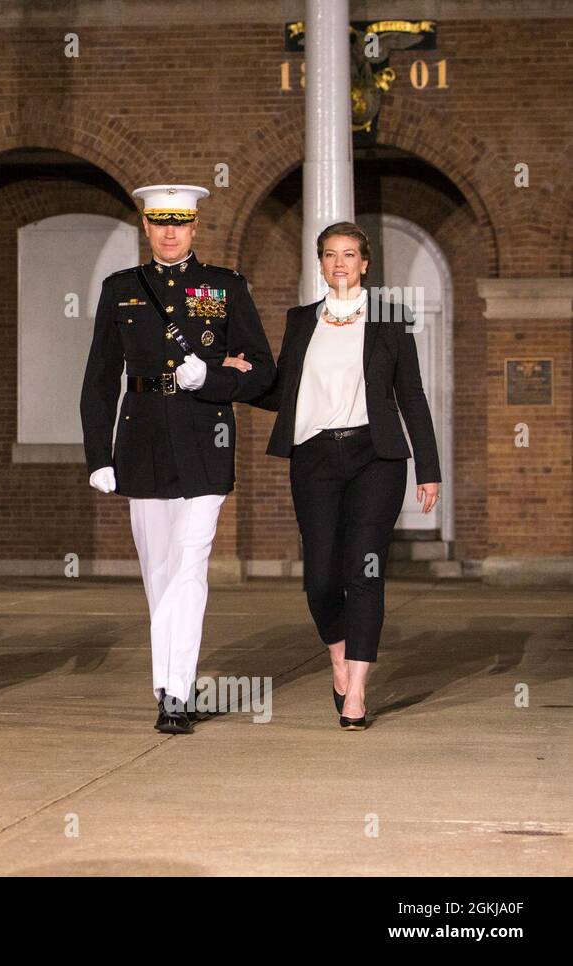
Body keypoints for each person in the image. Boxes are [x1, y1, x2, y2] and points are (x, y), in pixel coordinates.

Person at [80, 185, 275, 734]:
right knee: (158, 570)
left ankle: (177, 692)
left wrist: (211, 378)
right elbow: (99, 379)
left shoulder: (225, 286)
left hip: (204, 433)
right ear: (146, 227)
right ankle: (168, 683)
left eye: (180, 224)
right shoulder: (121, 289)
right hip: (141, 436)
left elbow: (263, 370)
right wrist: (99, 453)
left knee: (190, 566)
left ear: (194, 228)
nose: (170, 234)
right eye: (159, 224)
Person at [245, 221, 440, 730]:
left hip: (376, 457)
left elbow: (412, 396)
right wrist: (237, 379)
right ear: (321, 263)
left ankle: (356, 692)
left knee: (365, 570)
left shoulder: (390, 320)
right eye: (331, 255)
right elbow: (280, 391)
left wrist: (429, 468)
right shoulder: (300, 321)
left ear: (365, 263)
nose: (340, 264)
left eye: (349, 255)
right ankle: (338, 654)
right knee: (321, 578)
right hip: (314, 458)